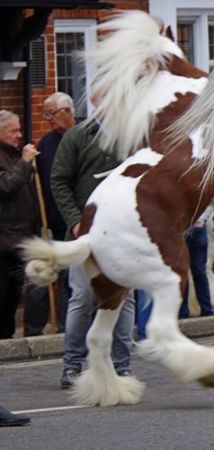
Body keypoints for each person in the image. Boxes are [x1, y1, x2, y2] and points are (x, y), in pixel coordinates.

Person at [51, 121, 136, 388]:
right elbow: (59, 179)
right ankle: (73, 365)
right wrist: (76, 220)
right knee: (83, 298)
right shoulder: (78, 136)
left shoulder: (134, 133)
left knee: (124, 300)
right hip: (86, 233)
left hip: (124, 231)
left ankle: (121, 366)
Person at [23, 92, 74, 336]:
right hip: (54, 223)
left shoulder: (83, 136)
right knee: (61, 276)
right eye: (44, 114)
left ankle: (73, 325)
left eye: (50, 113)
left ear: (67, 112)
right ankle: (65, 328)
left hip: (79, 221)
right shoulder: (47, 143)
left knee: (76, 278)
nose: (47, 119)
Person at [0, 110, 39, 340]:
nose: (19, 135)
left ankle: (6, 339)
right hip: (3, 241)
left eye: (19, 130)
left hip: (20, 238)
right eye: (13, 130)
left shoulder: (13, 155)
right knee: (2, 295)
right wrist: (25, 163)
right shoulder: (14, 158)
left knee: (13, 297)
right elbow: (4, 186)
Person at [179, 206, 214, 319]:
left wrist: (201, 219)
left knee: (199, 271)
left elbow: (209, 201)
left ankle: (207, 310)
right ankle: (183, 312)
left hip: (197, 229)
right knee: (183, 273)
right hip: (179, 230)